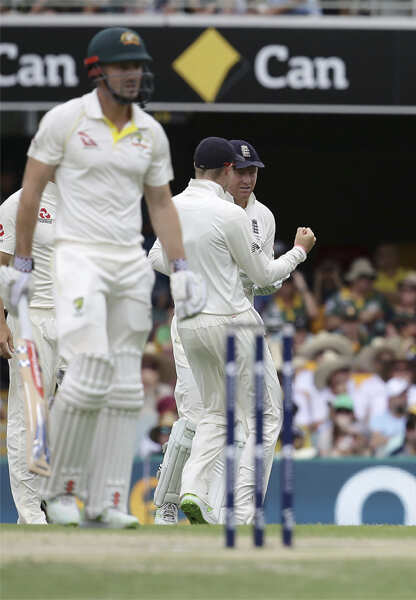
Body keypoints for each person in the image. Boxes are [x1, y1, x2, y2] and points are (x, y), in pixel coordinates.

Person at [0, 27, 206, 528]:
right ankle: (34, 513)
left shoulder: (149, 134)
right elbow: (20, 216)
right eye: (123, 66)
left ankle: (100, 498)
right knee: (32, 416)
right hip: (39, 312)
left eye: (139, 66)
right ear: (99, 71)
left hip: (108, 284)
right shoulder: (63, 126)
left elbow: (160, 204)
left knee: (116, 392)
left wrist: (179, 271)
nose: (134, 75)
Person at [148, 136, 315, 524]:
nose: (247, 179)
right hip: (224, 316)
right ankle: (177, 506)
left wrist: (222, 272)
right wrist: (298, 252)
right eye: (240, 171)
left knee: (219, 416)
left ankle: (206, 499)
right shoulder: (221, 212)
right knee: (211, 414)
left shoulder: (262, 216)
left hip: (206, 317)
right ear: (225, 171)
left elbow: (267, 282)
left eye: (253, 171)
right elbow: (157, 256)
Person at [0, 181, 61, 524]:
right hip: (29, 318)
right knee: (28, 416)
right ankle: (31, 513)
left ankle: (36, 510)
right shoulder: (19, 203)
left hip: (68, 321)